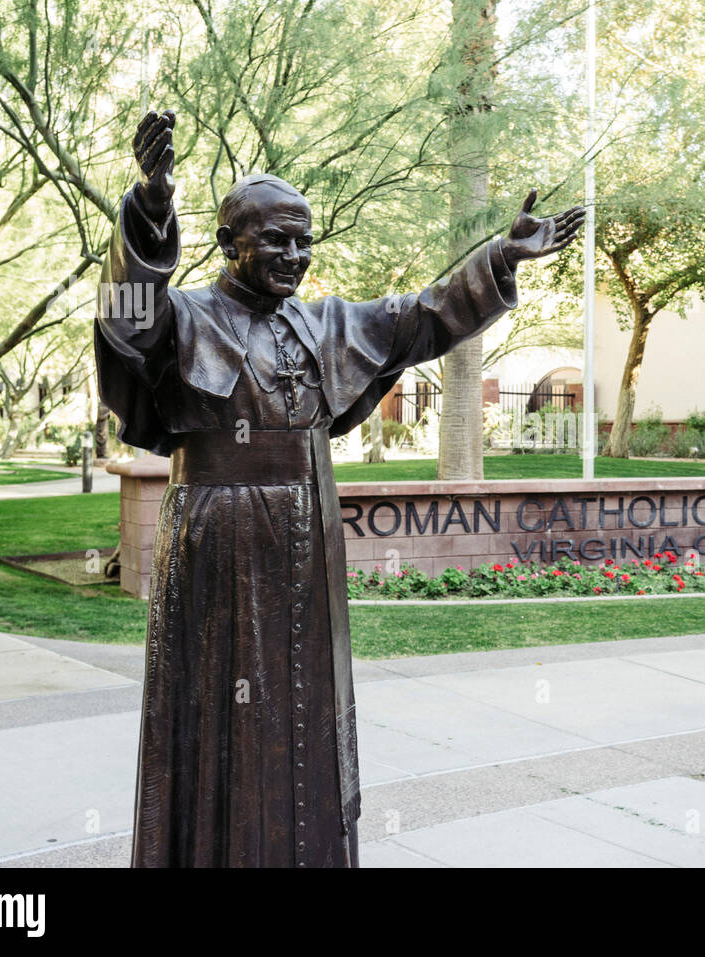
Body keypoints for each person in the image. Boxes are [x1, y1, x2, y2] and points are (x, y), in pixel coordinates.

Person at [95, 109, 584, 867]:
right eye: (276, 238)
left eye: (304, 239)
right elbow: (127, 321)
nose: (295, 253)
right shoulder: (184, 316)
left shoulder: (325, 325)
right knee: (224, 713)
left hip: (308, 540)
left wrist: (499, 259)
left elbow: (423, 317)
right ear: (229, 244)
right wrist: (150, 211)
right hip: (220, 540)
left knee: (306, 716)